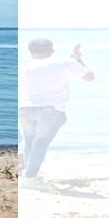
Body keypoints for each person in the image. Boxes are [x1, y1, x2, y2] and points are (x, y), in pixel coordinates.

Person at [20, 38, 94, 187]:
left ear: (30, 52)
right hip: (50, 110)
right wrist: (78, 60)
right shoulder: (64, 63)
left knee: (30, 142)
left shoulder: (23, 67)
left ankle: (27, 174)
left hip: (25, 109)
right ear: (52, 51)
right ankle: (29, 178)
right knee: (40, 143)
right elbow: (89, 77)